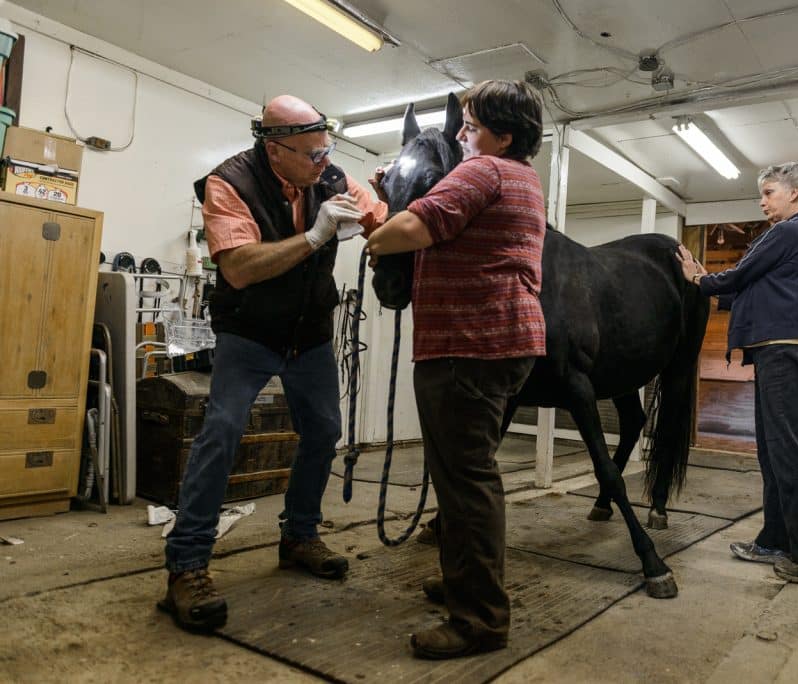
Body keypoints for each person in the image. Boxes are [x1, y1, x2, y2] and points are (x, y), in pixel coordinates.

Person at [159, 95, 388, 631]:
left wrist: (398, 202)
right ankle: (186, 565)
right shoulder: (228, 183)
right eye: (311, 154)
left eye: (326, 150)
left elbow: (382, 221)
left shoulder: (329, 175)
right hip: (250, 331)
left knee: (324, 431)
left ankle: (299, 535)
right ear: (275, 149)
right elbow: (238, 268)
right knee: (222, 431)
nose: (323, 162)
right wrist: (313, 237)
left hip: (308, 334)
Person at [365, 80, 546, 658]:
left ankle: (480, 621)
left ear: (504, 135)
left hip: (467, 344)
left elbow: (410, 230)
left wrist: (375, 227)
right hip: (504, 342)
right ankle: (464, 580)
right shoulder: (523, 177)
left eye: (472, 126)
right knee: (466, 477)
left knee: (466, 486)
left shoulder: (484, 172)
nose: (462, 136)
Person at [676, 161, 798, 590]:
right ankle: (777, 539)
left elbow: (739, 275)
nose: (762, 200)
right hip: (784, 346)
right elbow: (752, 287)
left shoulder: (790, 231)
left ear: (793, 192)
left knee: (790, 451)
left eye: (769, 192)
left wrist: (701, 279)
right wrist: (714, 284)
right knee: (774, 452)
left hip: (785, 347)